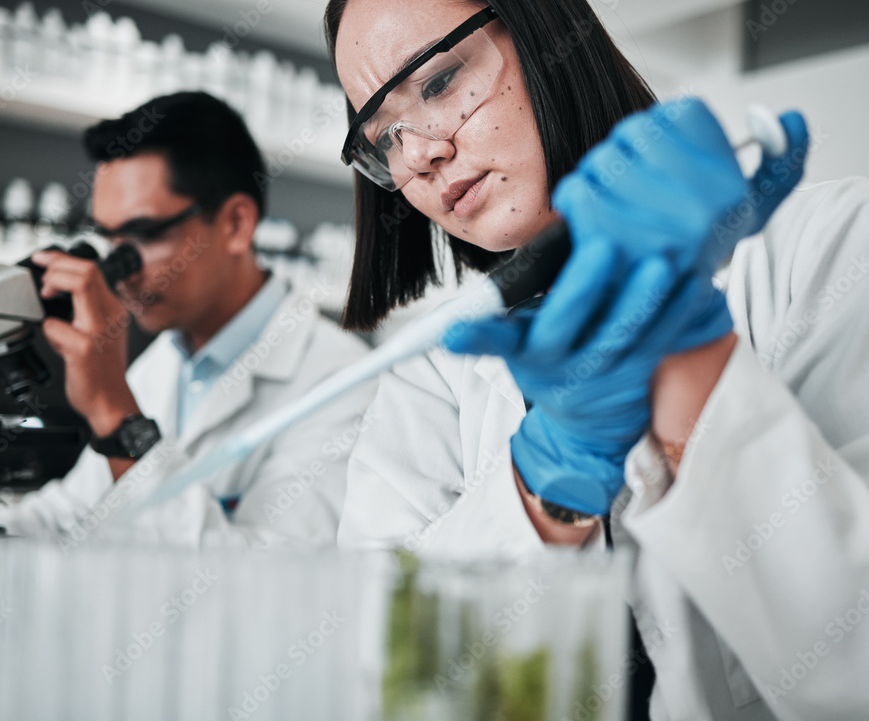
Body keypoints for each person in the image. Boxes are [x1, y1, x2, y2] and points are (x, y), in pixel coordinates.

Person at [326, 1, 869, 719]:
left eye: (438, 82)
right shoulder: (433, 374)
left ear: (546, 30)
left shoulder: (828, 247)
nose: (419, 154)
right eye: (383, 136)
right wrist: (547, 484)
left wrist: (689, 367)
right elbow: (385, 686)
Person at [0, 92, 374, 548]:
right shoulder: (160, 367)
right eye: (109, 240)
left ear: (235, 224)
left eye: (143, 235)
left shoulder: (344, 384)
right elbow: (66, 518)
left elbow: (259, 586)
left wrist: (115, 415)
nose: (120, 270)